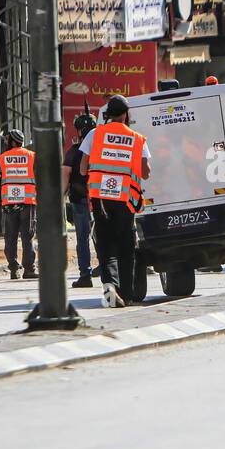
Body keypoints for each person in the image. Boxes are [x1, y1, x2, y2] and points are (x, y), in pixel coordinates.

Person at [80, 95, 151, 308]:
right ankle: (126, 294)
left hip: (101, 199)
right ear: (125, 114)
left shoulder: (94, 134)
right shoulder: (137, 138)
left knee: (106, 244)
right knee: (126, 248)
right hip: (125, 200)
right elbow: (145, 173)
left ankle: (110, 283)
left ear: (108, 115)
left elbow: (83, 168)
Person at [61, 112, 98, 288]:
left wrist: (60, 195)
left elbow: (65, 174)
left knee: (83, 238)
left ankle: (86, 275)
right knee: (102, 235)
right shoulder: (102, 149)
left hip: (81, 199)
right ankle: (106, 269)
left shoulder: (74, 152)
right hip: (101, 200)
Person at [0, 128, 37, 280]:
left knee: (10, 237)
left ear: (12, 141)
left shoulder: (2, 158)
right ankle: (29, 270)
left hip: (9, 203)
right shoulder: (32, 156)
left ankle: (14, 269)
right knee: (28, 237)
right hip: (28, 202)